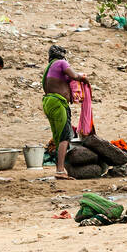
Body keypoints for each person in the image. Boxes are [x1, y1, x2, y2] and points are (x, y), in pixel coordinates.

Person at [41, 45, 89, 180]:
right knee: (65, 135)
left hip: (49, 102)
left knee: (58, 136)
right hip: (58, 103)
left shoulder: (50, 67)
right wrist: (83, 78)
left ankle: (59, 167)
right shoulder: (61, 63)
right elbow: (74, 75)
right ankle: (60, 170)